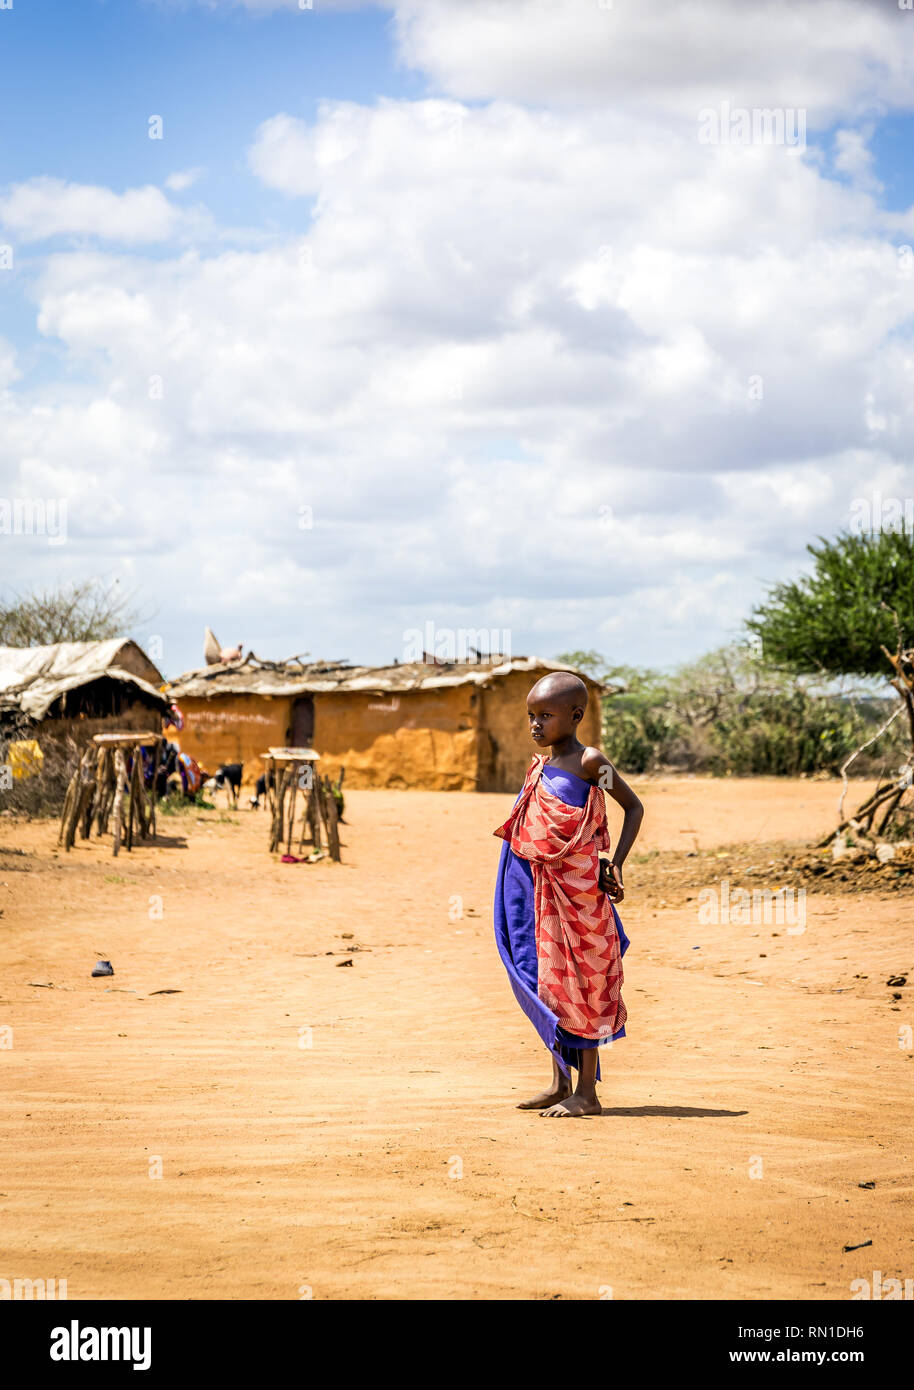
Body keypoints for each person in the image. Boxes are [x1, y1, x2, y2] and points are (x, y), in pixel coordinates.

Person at [493, 671, 644, 1117]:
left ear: (576, 716)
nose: (535, 724)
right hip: (533, 894)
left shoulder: (590, 763)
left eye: (545, 716)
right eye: (531, 716)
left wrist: (615, 862)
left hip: (576, 896)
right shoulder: (538, 768)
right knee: (543, 978)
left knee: (579, 979)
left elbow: (633, 807)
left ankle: (588, 1094)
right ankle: (560, 1080)